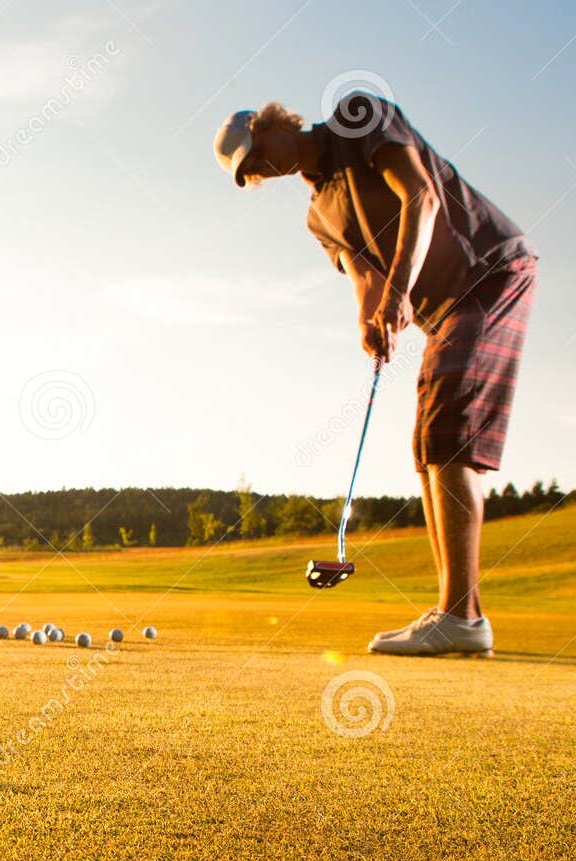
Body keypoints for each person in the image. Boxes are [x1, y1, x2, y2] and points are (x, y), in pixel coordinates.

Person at [214, 94, 537, 655]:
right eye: (252, 172)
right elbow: (365, 279)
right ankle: (456, 613)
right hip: (442, 311)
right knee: (428, 445)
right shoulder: (319, 217)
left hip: (489, 272)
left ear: (273, 123)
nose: (262, 169)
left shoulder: (355, 118)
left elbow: (421, 195)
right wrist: (372, 321)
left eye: (258, 153)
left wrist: (402, 293)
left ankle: (462, 616)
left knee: (449, 437)